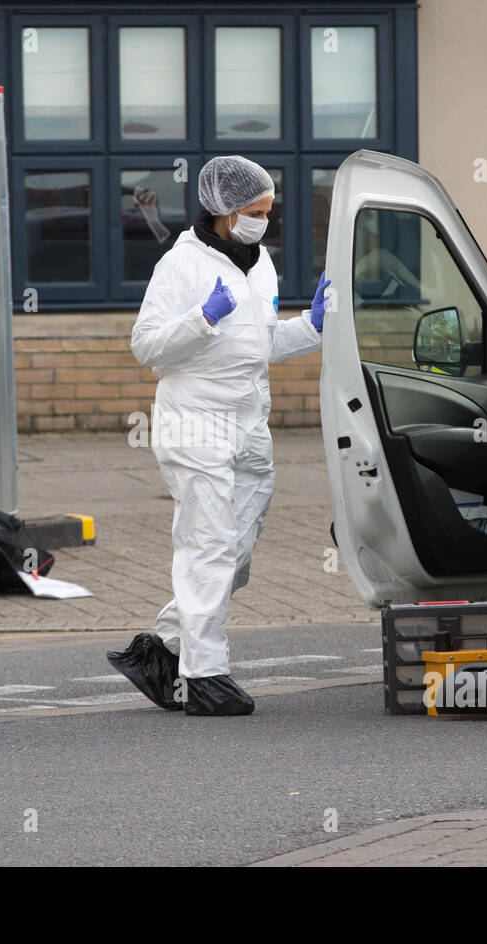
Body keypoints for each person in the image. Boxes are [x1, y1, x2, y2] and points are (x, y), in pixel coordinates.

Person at [110, 156, 331, 716]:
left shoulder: (261, 266)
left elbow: (258, 345)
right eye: (255, 212)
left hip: (249, 422)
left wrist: (312, 328)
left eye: (268, 211)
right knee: (206, 545)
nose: (265, 221)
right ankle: (205, 675)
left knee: (237, 551)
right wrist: (201, 318)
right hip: (196, 423)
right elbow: (147, 346)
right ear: (224, 212)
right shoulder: (180, 265)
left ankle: (161, 649)